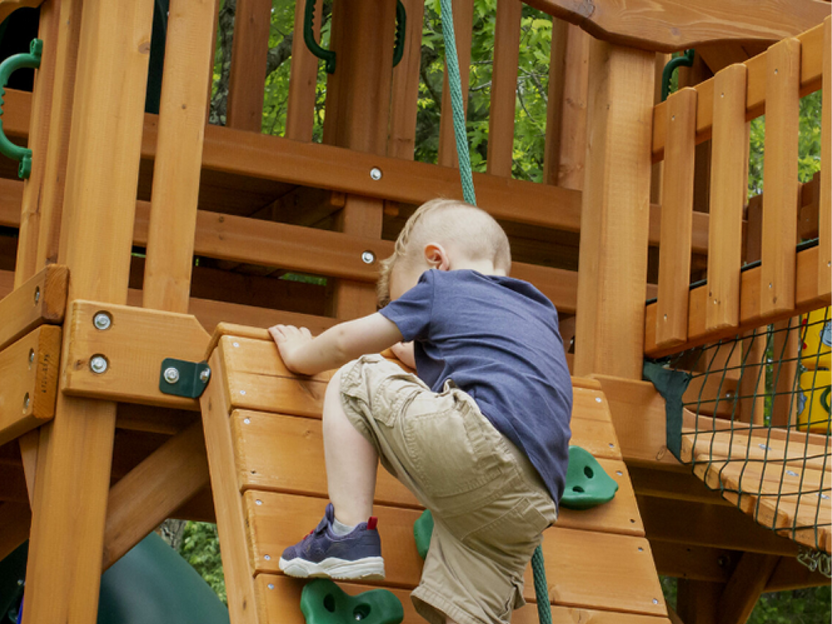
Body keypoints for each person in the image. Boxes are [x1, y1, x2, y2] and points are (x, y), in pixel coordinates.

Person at [269, 199, 572, 624]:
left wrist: (300, 354)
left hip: (479, 443)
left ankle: (347, 532)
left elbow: (343, 343)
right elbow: (488, 361)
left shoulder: (441, 286)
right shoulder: (537, 311)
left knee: (356, 376)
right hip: (535, 500)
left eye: (404, 305)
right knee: (468, 612)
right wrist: (418, 353)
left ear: (436, 261)